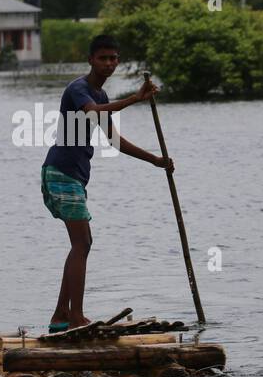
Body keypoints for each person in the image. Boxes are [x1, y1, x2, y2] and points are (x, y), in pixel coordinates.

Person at [41, 34, 172, 331]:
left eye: (114, 58)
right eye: (103, 58)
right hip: (61, 173)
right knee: (82, 243)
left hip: (73, 176)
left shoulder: (99, 96)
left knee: (82, 244)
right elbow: (92, 113)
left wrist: (156, 161)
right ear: (90, 60)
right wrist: (134, 99)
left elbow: (114, 141)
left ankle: (61, 315)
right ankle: (74, 316)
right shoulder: (79, 90)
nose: (109, 63)